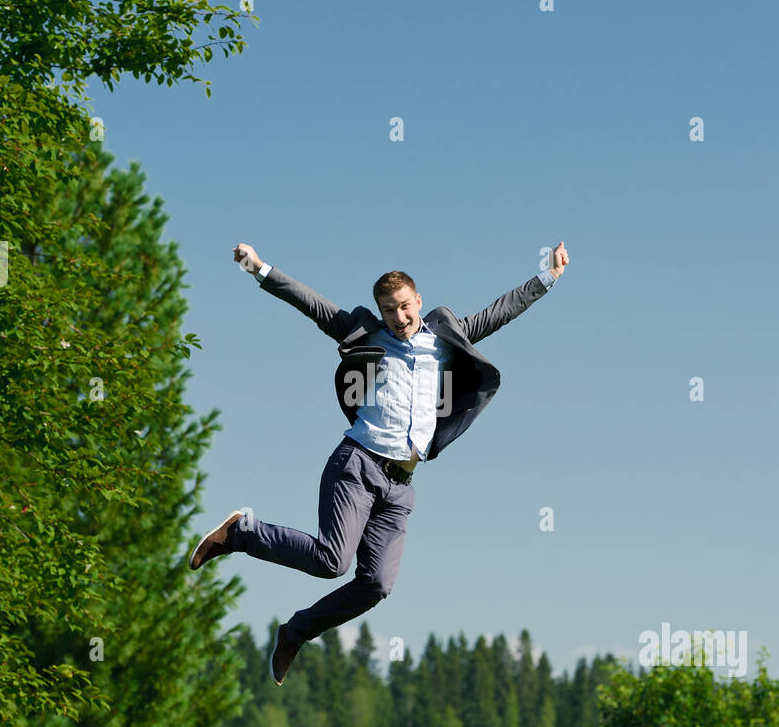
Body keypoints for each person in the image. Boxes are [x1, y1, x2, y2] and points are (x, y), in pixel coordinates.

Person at [189, 241, 569, 684]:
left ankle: (295, 632)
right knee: (332, 561)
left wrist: (549, 277)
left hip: (401, 486)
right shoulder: (367, 335)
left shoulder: (445, 338)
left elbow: (498, 311)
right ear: (381, 312)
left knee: (377, 585)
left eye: (405, 306)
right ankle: (240, 532)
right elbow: (312, 304)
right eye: (390, 310)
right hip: (358, 465)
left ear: (419, 302)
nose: (399, 317)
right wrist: (259, 268)